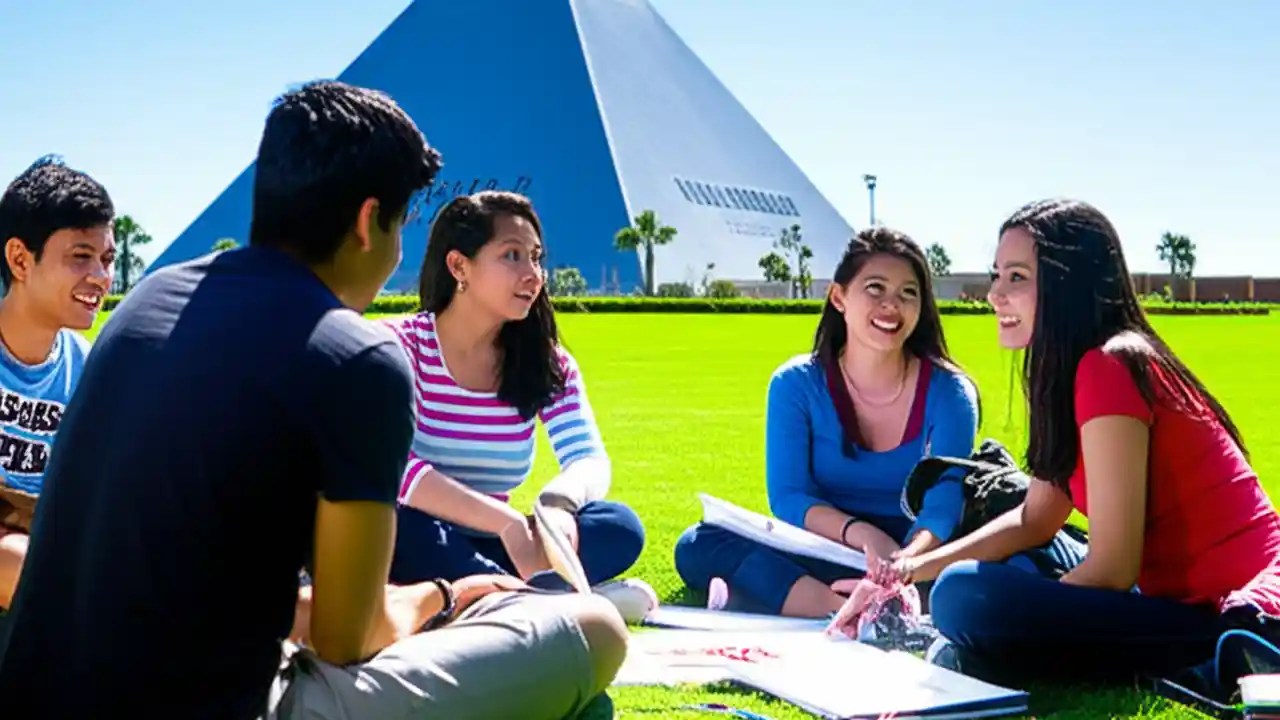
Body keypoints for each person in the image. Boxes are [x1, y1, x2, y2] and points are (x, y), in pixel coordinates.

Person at [0, 80, 626, 720]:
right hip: (224, 702)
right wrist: (444, 595)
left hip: (39, 689)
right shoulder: (358, 358)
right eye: (399, 226)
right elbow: (344, 639)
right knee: (597, 630)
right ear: (366, 222)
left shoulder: (150, 301)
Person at [895, 198, 1280, 684]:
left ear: (1065, 286)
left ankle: (1004, 652)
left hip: (1229, 608)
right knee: (1007, 565)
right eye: (997, 275)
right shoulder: (1068, 374)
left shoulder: (1111, 366)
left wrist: (997, 612)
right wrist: (911, 568)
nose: (994, 295)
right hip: (1160, 592)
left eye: (1016, 277)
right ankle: (1002, 651)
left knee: (965, 596)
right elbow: (1035, 518)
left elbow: (1113, 570)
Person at [674, 227, 1038, 618]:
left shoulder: (950, 393)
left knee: (1014, 570)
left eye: (908, 294)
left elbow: (942, 506)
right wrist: (865, 536)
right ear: (839, 297)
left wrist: (903, 564)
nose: (891, 306)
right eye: (875, 289)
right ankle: (846, 609)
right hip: (830, 546)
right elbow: (789, 496)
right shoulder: (795, 384)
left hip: (920, 556)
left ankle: (842, 600)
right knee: (700, 542)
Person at [386, 190, 654, 618]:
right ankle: (542, 602)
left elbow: (588, 459)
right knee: (393, 527)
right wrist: (506, 522)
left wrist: (556, 507)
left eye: (536, 257)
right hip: (423, 533)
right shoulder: (399, 347)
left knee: (618, 527)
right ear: (459, 266)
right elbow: (393, 468)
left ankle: (502, 598)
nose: (533, 274)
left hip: (501, 545)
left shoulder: (545, 362)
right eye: (512, 256)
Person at [0, 157, 114, 613]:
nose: (102, 278)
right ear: (20, 260)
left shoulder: (89, 368)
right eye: (81, 257)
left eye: (106, 259)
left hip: (50, 548)